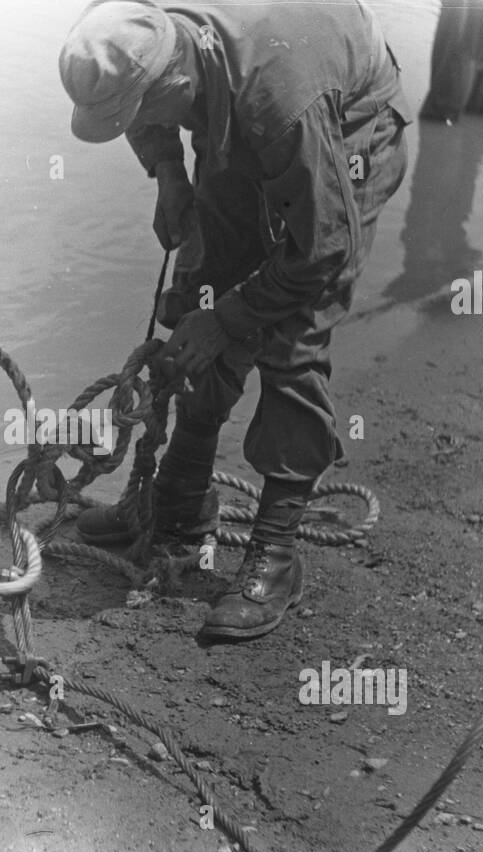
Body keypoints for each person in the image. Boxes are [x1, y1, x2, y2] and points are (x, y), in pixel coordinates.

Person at [59, 0, 410, 643]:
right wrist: (169, 171)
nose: (138, 126)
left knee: (292, 333)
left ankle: (276, 551)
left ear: (178, 83)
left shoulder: (284, 104)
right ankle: (180, 499)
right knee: (204, 283)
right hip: (239, 90)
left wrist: (227, 322)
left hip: (346, 129)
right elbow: (143, 98)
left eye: (141, 113)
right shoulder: (136, 26)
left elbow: (322, 250)